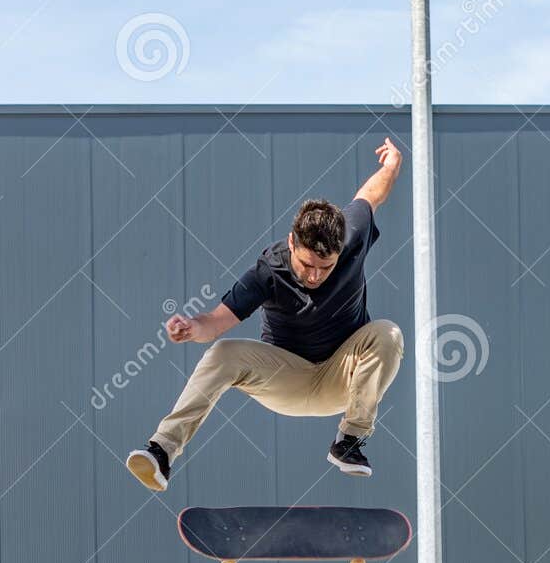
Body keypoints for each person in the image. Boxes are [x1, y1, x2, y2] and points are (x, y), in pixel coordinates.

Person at [126, 137, 404, 491]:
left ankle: (349, 441)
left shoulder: (354, 233)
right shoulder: (267, 272)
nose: (316, 275)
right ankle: (162, 450)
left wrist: (392, 165)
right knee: (223, 352)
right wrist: (190, 327)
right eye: (307, 264)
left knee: (388, 333)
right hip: (285, 379)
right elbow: (216, 322)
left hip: (342, 377)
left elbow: (371, 194)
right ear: (292, 243)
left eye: (326, 267)